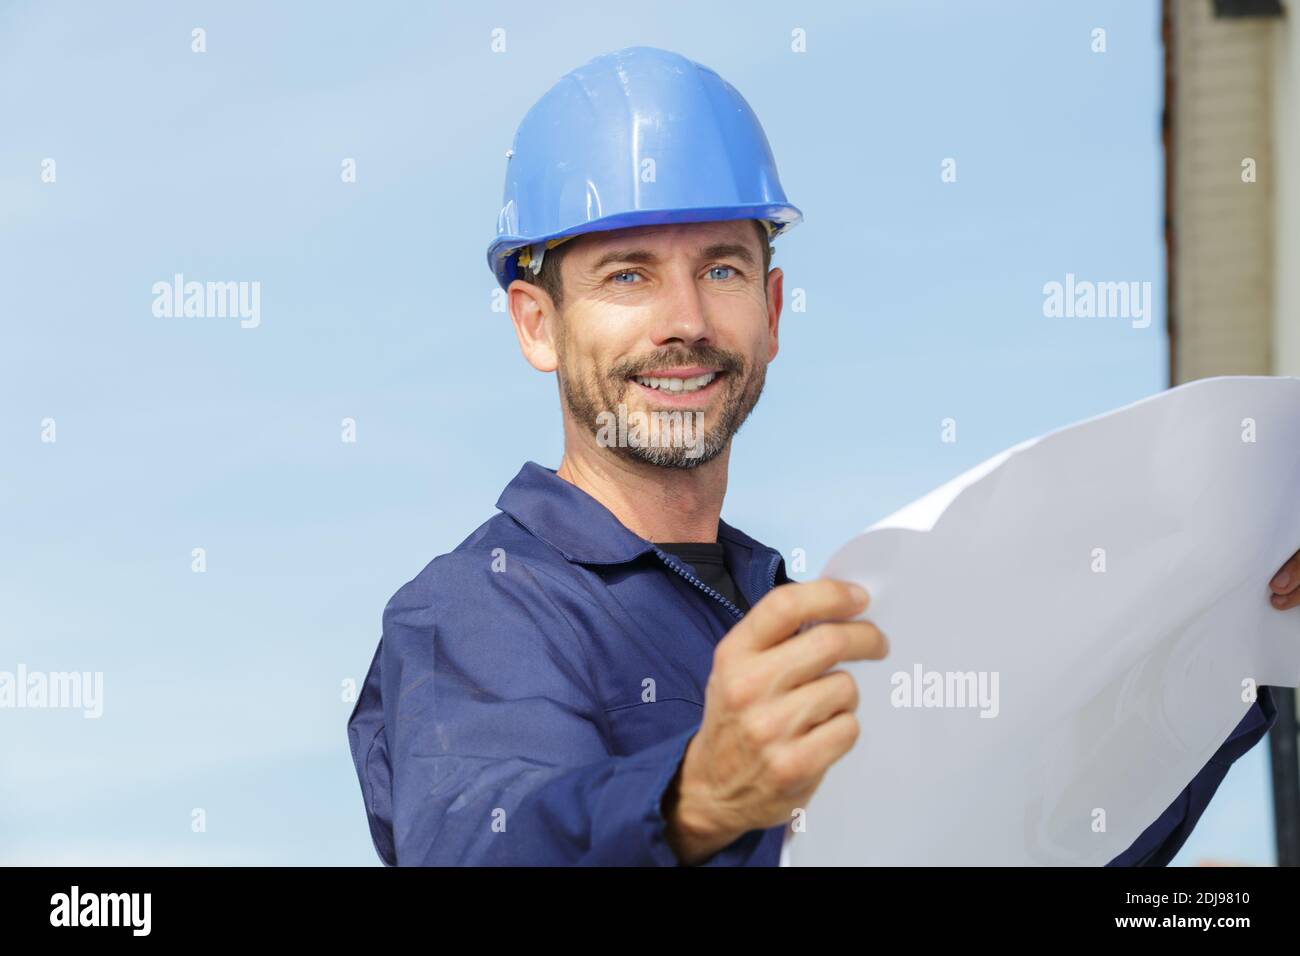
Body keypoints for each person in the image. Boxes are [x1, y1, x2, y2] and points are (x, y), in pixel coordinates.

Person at [346, 45, 1300, 866]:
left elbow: (1026, 838)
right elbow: (485, 839)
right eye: (627, 274)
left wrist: (1235, 648)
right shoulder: (483, 605)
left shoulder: (799, 619)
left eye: (721, 268)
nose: (683, 323)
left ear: (770, 313)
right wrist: (692, 801)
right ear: (536, 324)